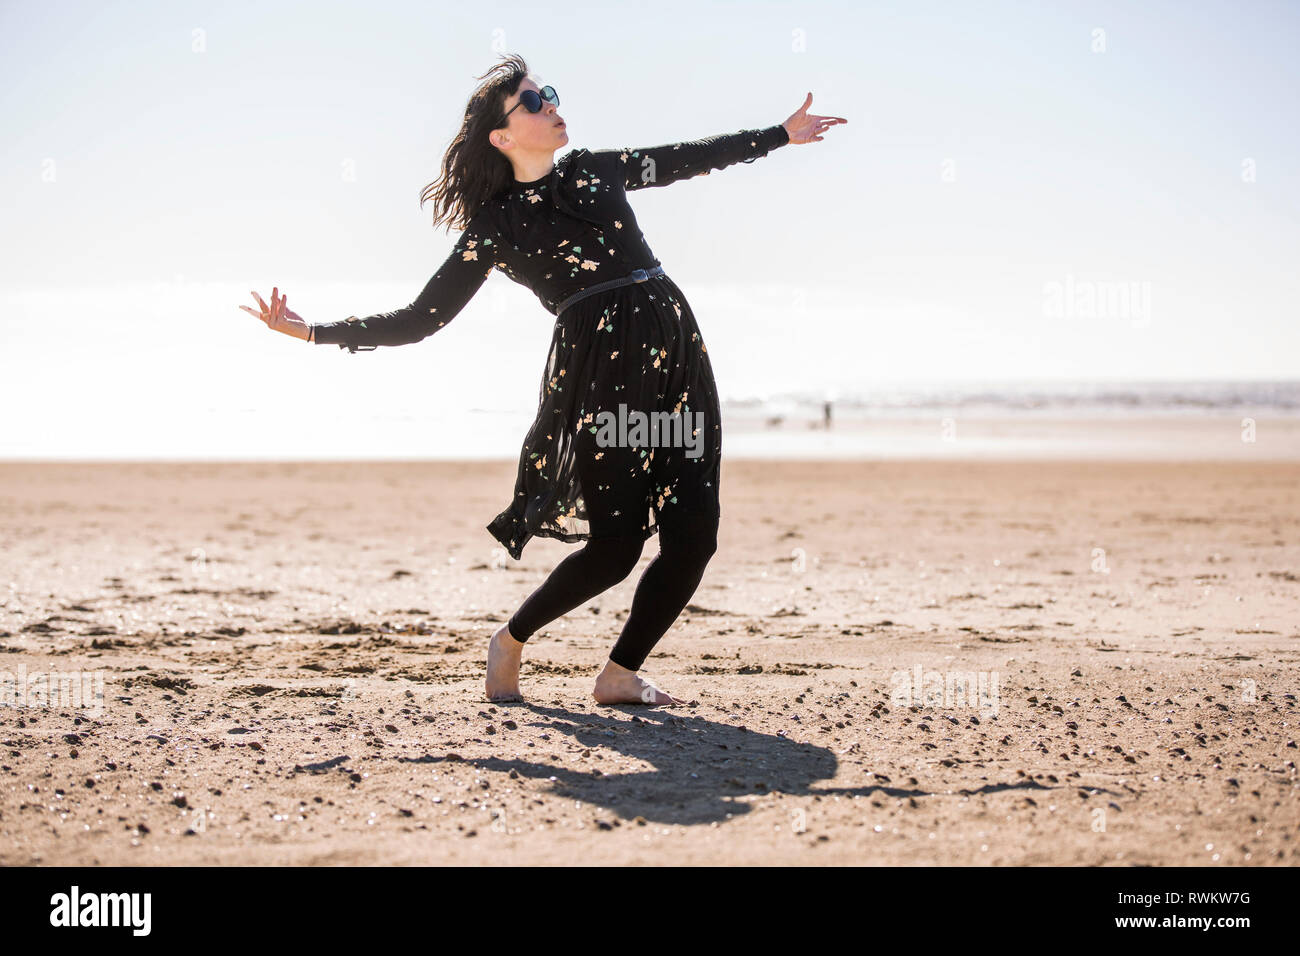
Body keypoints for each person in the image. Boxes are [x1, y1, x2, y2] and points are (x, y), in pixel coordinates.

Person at [240, 54, 845, 706]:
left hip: (674, 356)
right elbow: (422, 318)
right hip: (600, 378)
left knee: (695, 538)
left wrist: (780, 134)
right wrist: (311, 331)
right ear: (501, 137)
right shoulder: (496, 228)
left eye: (548, 93)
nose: (550, 104)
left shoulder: (596, 169)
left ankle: (619, 674)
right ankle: (512, 638)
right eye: (533, 101)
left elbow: (688, 156)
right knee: (614, 549)